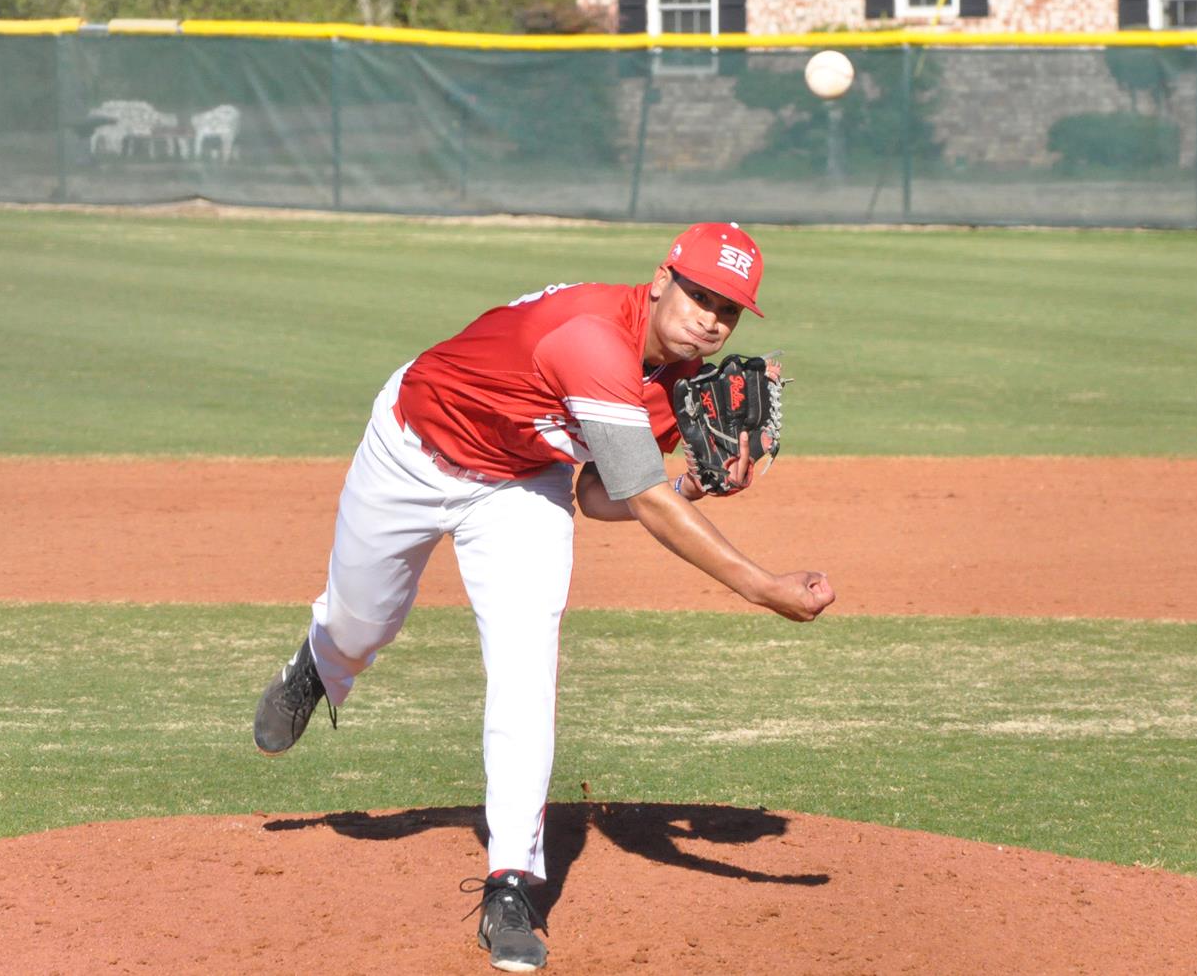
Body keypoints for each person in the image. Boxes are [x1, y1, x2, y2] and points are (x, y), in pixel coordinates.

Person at [252, 221, 836, 972]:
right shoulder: (592, 338)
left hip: (521, 486)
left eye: (728, 310)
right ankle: (322, 663)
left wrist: (690, 479)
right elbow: (645, 501)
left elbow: (597, 494)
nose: (711, 319)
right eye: (699, 295)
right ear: (662, 278)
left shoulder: (672, 385)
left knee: (527, 668)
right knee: (365, 623)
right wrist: (762, 586)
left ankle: (512, 882)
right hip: (412, 450)